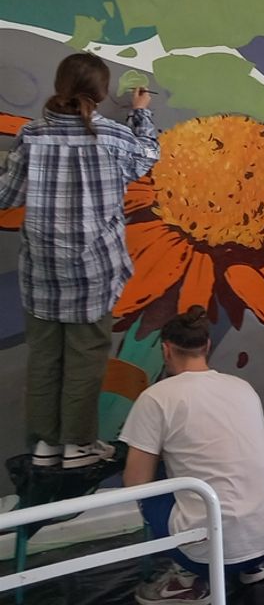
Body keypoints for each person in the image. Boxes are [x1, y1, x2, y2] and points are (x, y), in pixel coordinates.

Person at [0, 53, 159, 470]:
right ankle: (78, 446)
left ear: (60, 86)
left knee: (45, 358)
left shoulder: (32, 136)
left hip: (42, 270)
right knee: (86, 358)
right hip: (93, 270)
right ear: (102, 92)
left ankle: (44, 445)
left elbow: (5, 198)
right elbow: (147, 160)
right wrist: (141, 114)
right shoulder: (112, 138)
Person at [121, 306, 264, 605]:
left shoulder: (156, 397)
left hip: (208, 555)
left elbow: (135, 482)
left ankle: (187, 580)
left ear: (166, 350)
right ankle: (252, 567)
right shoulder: (242, 387)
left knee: (153, 482)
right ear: (207, 347)